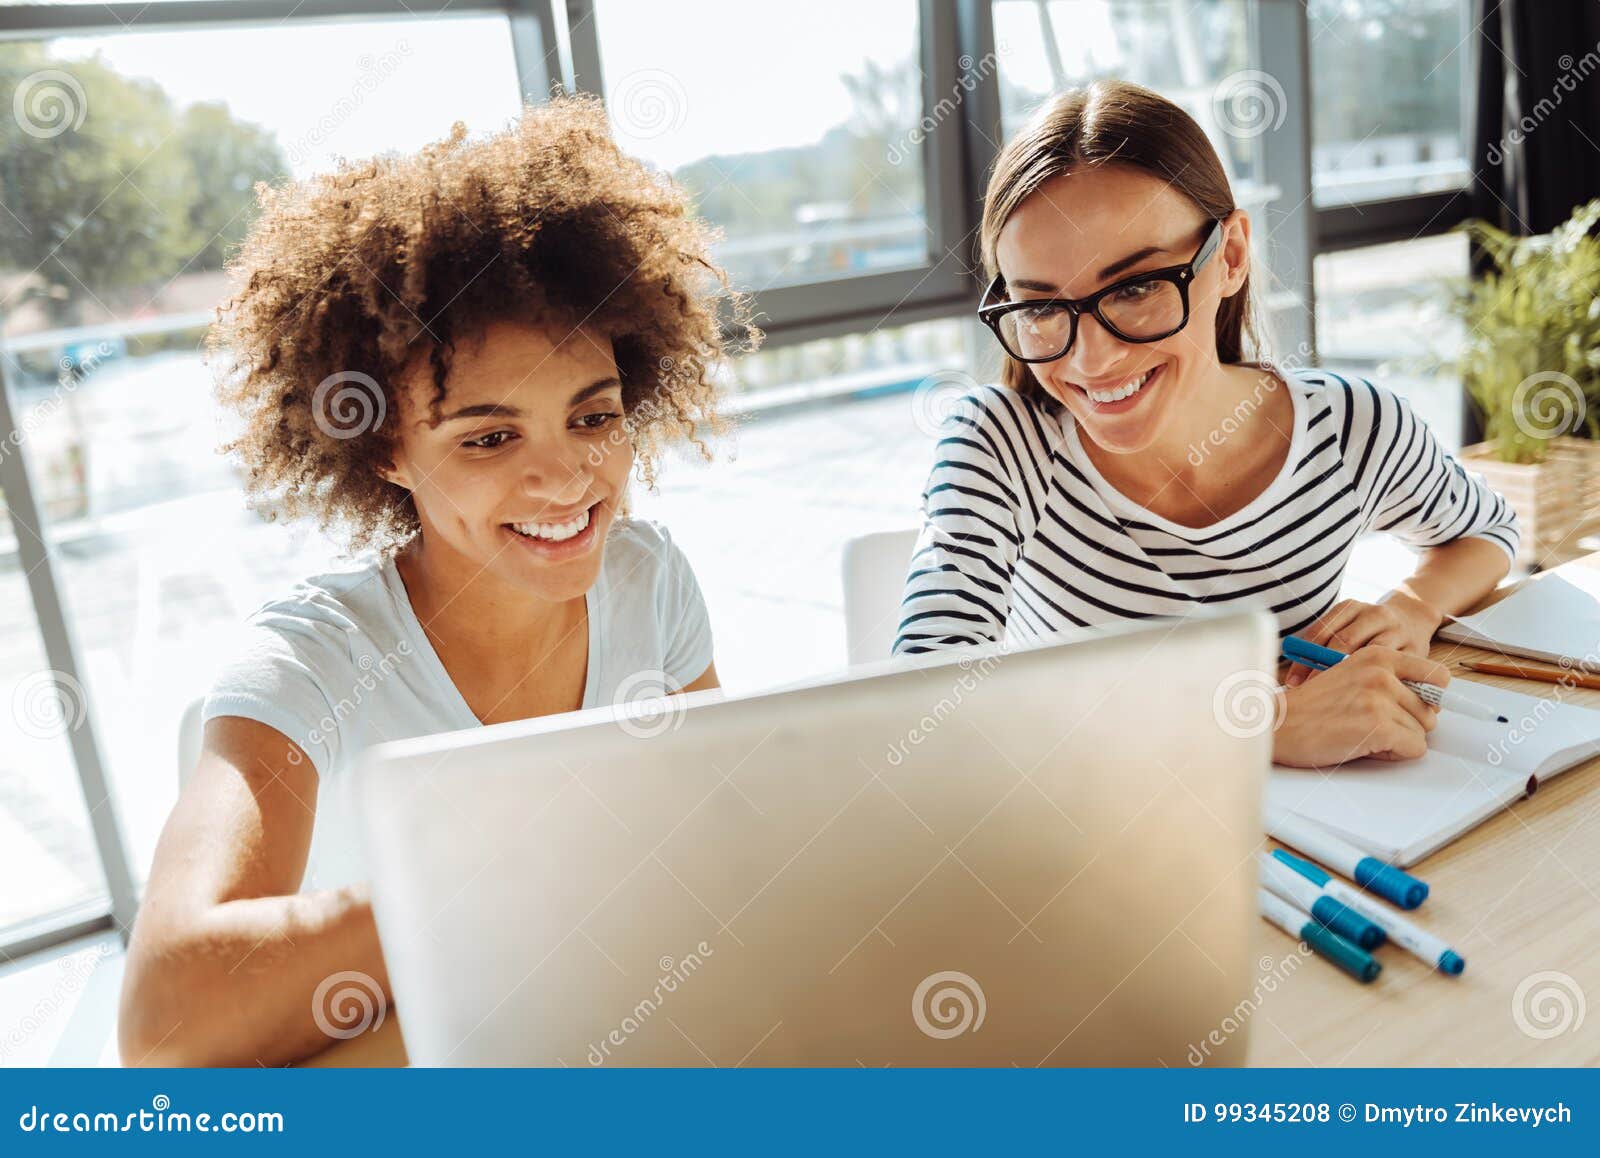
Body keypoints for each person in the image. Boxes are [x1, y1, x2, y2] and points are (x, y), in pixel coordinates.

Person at [119, 99, 755, 1066]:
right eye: (490, 438)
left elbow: (729, 838)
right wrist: (524, 878)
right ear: (385, 449)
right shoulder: (308, 662)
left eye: (593, 417)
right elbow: (166, 1023)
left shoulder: (648, 579)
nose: (566, 479)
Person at [894, 80, 1516, 769]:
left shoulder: (1346, 425)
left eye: (1134, 288)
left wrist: (1411, 609)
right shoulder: (1000, 443)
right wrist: (1258, 731)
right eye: (1041, 307)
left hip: (1324, 832)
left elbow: (1488, 533)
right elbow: (926, 704)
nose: (1091, 360)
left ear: (1231, 256)